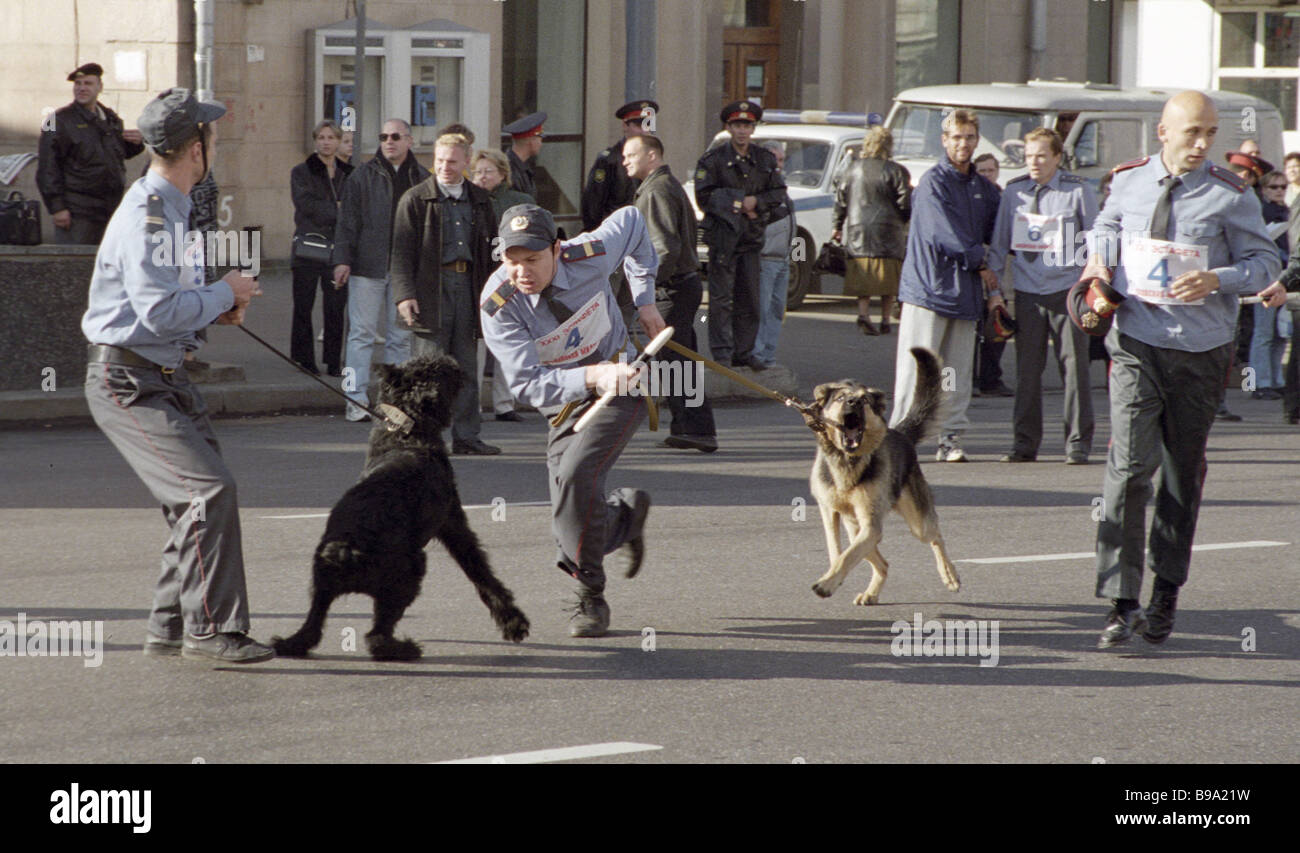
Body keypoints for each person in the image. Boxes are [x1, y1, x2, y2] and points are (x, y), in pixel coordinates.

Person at [1081, 90, 1280, 648]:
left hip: (1201, 350)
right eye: (1192, 132)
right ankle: (1120, 602)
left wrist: (1217, 279)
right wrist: (1098, 259)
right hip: (1136, 340)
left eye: (1209, 133)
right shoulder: (1129, 179)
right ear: (1162, 132)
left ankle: (1166, 590)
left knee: (1180, 474)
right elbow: (1107, 225)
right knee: (1127, 467)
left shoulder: (1231, 194)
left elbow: (1266, 261)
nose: (1201, 143)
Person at [81, 88, 273, 663]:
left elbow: (169, 300)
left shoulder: (173, 206)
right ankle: (210, 632)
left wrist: (221, 304)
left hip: (159, 375)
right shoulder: (150, 215)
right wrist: (223, 292)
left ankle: (168, 624)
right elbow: (158, 311)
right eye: (211, 136)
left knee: (192, 500)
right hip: (127, 381)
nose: (217, 143)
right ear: (195, 148)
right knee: (206, 492)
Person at [480, 204, 665, 637]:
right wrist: (591, 376)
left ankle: (591, 599)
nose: (522, 271)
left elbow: (635, 221)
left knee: (578, 473)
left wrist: (645, 300)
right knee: (567, 511)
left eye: (533, 259)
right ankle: (623, 518)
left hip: (626, 382)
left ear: (558, 250)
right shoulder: (499, 305)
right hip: (566, 402)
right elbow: (526, 385)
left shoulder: (591, 253)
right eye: (512, 260)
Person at [890, 108, 1000, 463]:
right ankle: (898, 439)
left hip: (965, 293)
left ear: (977, 140)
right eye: (956, 137)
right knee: (917, 371)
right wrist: (980, 261)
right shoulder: (932, 183)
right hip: (928, 290)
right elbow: (943, 234)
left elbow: (999, 230)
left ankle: (950, 437)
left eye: (969, 137)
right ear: (944, 140)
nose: (963, 144)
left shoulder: (984, 188)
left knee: (954, 373)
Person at [986, 128, 1098, 465]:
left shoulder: (1077, 191)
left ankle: (1077, 443)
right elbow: (999, 244)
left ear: (1057, 158)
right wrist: (994, 292)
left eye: (1041, 156)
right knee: (1027, 371)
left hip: (1066, 290)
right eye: (1028, 156)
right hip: (1028, 292)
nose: (1033, 163)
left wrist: (1097, 280)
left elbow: (1097, 238)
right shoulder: (1013, 192)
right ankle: (1024, 444)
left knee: (1075, 368)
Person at [391, 133, 501, 455]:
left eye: (452, 161)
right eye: (439, 160)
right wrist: (404, 296)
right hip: (430, 289)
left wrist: (495, 296)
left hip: (468, 288)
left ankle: (467, 437)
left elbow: (494, 251)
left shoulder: (481, 201)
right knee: (428, 370)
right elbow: (400, 254)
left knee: (466, 369)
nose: (445, 167)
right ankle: (424, 437)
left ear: (467, 161)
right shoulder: (415, 198)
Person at [623, 132, 719, 451]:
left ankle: (696, 428)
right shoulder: (664, 185)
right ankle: (689, 427)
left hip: (671, 287)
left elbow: (665, 248)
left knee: (675, 361)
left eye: (630, 155)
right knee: (678, 359)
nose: (625, 161)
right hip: (681, 284)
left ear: (652, 156)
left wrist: (646, 289)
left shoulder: (656, 190)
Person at [333, 119, 428, 422]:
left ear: (409, 141)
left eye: (395, 136)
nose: (389, 141)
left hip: (406, 270)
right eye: (383, 136)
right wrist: (342, 260)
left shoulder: (422, 178)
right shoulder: (362, 176)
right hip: (366, 265)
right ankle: (354, 399)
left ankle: (394, 400)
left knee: (400, 337)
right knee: (360, 334)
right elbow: (347, 222)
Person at [693, 100, 788, 369]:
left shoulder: (764, 159)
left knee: (750, 298)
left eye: (747, 125)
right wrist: (739, 203)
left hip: (751, 239)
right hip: (723, 239)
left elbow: (778, 192)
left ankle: (744, 352)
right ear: (729, 127)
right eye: (737, 125)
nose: (742, 131)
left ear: (753, 128)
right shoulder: (713, 160)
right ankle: (722, 353)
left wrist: (756, 203)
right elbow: (704, 196)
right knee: (721, 300)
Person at [37, 62, 145, 245]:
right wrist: (57, 207)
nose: (82, 88)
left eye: (88, 83)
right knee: (74, 267)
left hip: (110, 208)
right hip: (77, 211)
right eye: (78, 84)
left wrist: (137, 143)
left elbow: (116, 154)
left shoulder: (110, 119)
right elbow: (48, 166)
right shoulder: (58, 120)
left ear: (99, 87)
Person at [471, 148, 534, 421]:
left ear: (502, 173)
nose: (481, 177)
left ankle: (504, 403)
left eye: (488, 171)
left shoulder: (518, 201)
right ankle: (470, 404)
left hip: (508, 276)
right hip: (476, 277)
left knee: (507, 338)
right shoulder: (468, 199)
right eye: (477, 172)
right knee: (476, 343)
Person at [832, 125, 911, 336]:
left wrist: (837, 226)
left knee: (863, 273)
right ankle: (885, 320)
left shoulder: (852, 168)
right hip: (888, 228)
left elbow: (841, 199)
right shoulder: (896, 170)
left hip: (858, 228)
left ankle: (863, 314)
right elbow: (905, 201)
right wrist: (904, 220)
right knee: (888, 277)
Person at [289, 119, 353, 377]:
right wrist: (336, 210)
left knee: (336, 307)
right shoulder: (301, 171)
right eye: (321, 137)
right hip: (308, 246)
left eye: (331, 137)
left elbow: (353, 209)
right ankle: (304, 358)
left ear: (338, 142)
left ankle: (334, 360)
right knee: (303, 305)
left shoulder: (348, 173)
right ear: (316, 141)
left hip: (337, 250)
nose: (326, 142)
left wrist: (337, 212)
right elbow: (306, 205)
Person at [752, 140, 796, 368]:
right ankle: (758, 354)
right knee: (762, 309)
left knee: (777, 311)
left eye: (780, 159)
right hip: (766, 258)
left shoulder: (780, 186)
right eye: (773, 159)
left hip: (782, 258)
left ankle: (768, 355)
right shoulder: (759, 185)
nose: (777, 164)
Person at [582, 100, 656, 232]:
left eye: (648, 125)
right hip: (615, 233)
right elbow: (593, 205)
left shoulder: (652, 158)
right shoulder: (609, 160)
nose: (645, 131)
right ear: (625, 125)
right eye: (639, 125)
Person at [1249, 170, 1292, 401]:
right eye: (1274, 187)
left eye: (1283, 187)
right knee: (1263, 333)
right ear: (1264, 189)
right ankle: (1258, 383)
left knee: (1280, 334)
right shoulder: (1261, 211)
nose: (1279, 191)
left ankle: (1276, 380)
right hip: (1266, 278)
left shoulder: (1285, 210)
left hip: (1283, 276)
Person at [503, 111, 546, 199]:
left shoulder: (520, 166)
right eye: (539, 139)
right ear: (531, 141)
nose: (541, 144)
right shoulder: (509, 170)